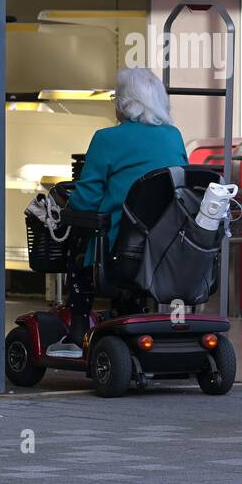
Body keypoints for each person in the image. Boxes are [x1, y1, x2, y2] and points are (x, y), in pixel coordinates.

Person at [45, 67, 188, 359]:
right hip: (165, 249)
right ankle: (129, 313)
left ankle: (77, 330)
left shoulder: (107, 138)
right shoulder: (173, 137)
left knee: (81, 244)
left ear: (124, 103)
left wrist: (63, 205)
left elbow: (85, 201)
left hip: (120, 251)